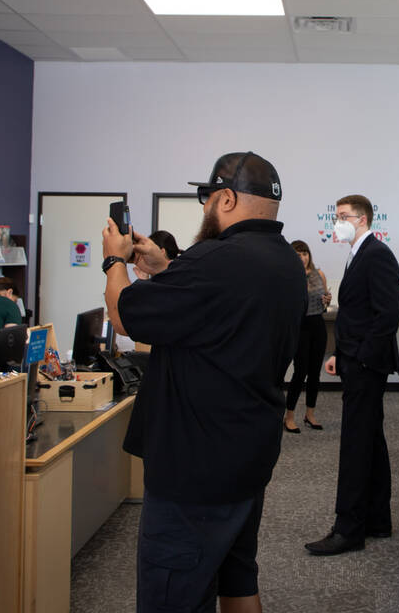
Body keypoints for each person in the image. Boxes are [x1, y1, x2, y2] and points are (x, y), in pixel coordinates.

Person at [102, 151, 305, 613]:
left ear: (227, 199)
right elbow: (218, 305)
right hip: (247, 454)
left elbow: (122, 315)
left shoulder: (214, 260)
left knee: (173, 595)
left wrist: (114, 261)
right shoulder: (284, 261)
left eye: (207, 198)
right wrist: (165, 266)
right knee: (238, 581)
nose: (205, 208)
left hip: (193, 470)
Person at [305, 194, 399, 556]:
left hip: (366, 366)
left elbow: (387, 315)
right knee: (370, 439)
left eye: (343, 216)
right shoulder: (358, 253)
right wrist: (339, 354)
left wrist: (359, 359)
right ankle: (377, 519)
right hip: (356, 360)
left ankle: (348, 529)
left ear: (361, 219)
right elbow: (356, 314)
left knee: (356, 445)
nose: (337, 223)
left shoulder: (377, 254)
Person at [284, 239, 331, 434]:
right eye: (298, 254)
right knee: (300, 371)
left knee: (314, 372)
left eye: (305, 253)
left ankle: (310, 414)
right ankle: (289, 416)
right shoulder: (289, 276)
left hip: (318, 324)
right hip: (300, 326)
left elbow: (325, 301)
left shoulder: (319, 274)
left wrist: (327, 299)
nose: (302, 258)